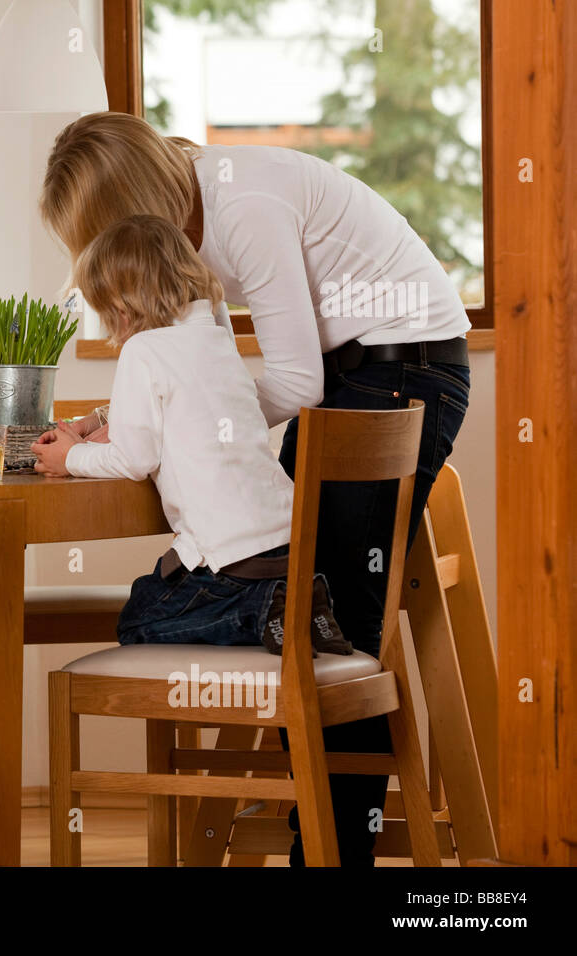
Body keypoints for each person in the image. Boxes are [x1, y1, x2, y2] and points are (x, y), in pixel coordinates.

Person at [41, 112, 472, 866]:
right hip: (354, 373)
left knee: (329, 620)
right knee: (305, 607)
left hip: (400, 369)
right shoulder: (196, 227)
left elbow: (292, 381)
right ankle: (316, 832)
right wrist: (127, 418)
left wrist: (177, 425)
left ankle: (332, 852)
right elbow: (209, 377)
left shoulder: (242, 208)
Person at [32, 214, 348, 656]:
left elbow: (133, 459)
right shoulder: (217, 340)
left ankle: (257, 612)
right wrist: (104, 419)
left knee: (138, 618)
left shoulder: (142, 350)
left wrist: (71, 458)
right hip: (287, 550)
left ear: (121, 306)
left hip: (229, 564)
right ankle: (302, 608)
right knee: (163, 583)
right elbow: (188, 404)